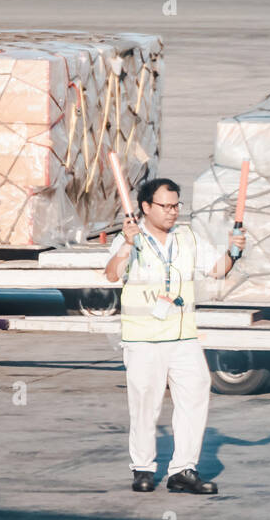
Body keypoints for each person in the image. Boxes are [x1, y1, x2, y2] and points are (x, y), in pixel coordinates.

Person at [104, 178, 246, 494]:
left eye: (176, 205)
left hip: (182, 336)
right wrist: (127, 245)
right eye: (165, 206)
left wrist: (234, 252)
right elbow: (112, 274)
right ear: (145, 207)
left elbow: (216, 269)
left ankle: (183, 469)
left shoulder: (187, 237)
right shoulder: (131, 237)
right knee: (144, 403)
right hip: (143, 338)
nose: (172, 212)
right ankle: (142, 468)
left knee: (195, 394)